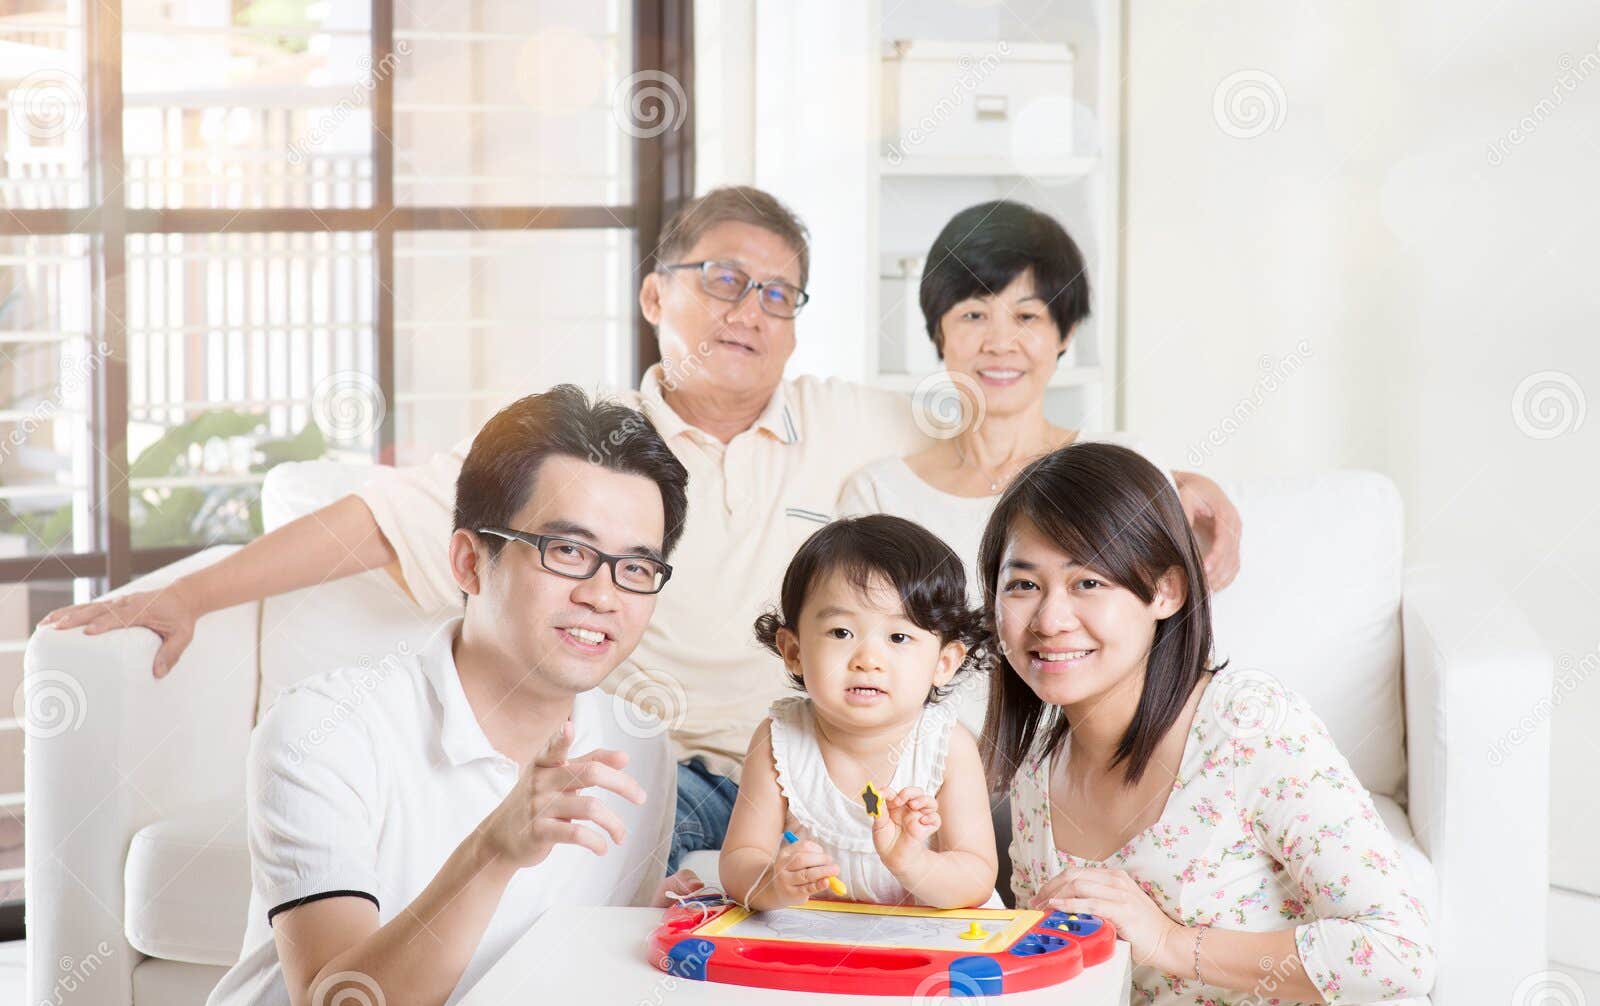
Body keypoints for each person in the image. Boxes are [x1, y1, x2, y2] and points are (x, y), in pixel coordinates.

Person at [42, 186, 1242, 872]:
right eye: (722, 279)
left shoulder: (852, 425)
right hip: (652, 776)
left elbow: (1011, 416)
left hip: (825, 770)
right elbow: (386, 511)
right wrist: (194, 591)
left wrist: (1185, 488)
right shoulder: (585, 440)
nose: (749, 311)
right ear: (654, 295)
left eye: (778, 294)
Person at [189, 387, 700, 1006]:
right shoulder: (325, 730)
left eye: (635, 566)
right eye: (568, 553)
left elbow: (581, 986)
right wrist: (493, 852)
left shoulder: (639, 747)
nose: (603, 596)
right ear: (467, 562)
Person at [981, 440, 1461, 1006]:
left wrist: (1172, 943)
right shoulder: (1035, 784)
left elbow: (1399, 951)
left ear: (1166, 591)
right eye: (1023, 584)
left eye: (1088, 581)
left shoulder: (1245, 724)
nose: (1050, 618)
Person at [839, 200, 1203, 737]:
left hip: (1092, 763)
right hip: (922, 781)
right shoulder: (877, 492)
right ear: (938, 332)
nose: (1000, 342)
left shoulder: (1124, 465)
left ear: (1065, 334)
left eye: (1028, 316)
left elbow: (1172, 641)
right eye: (973, 314)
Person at [719, 516, 997, 910]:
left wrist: (913, 863)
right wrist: (772, 883)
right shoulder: (778, 739)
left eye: (899, 637)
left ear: (945, 662)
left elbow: (975, 878)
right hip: (822, 947)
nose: (868, 660)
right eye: (841, 633)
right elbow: (738, 860)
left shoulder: (948, 746)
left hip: (932, 948)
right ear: (794, 651)